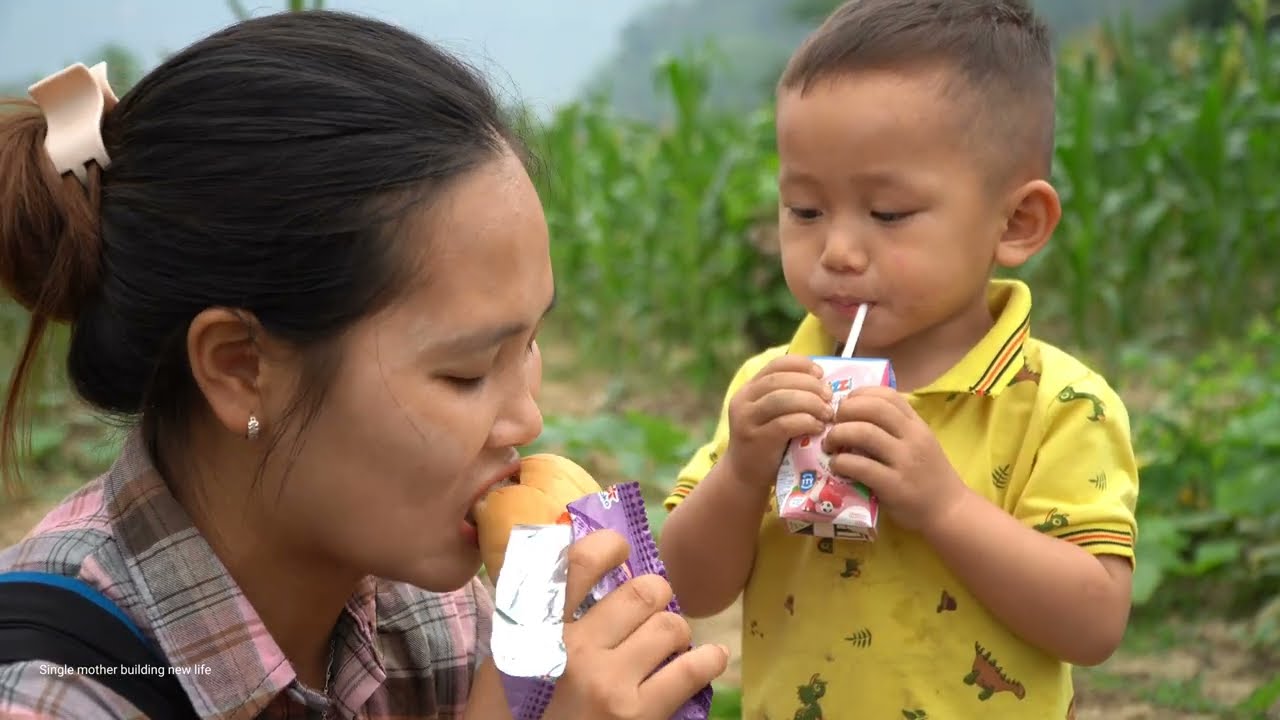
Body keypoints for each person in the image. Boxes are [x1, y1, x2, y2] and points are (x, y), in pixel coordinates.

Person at [0, 10, 726, 719]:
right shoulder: (54, 687)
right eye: (468, 371)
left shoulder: (443, 616)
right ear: (239, 366)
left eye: (529, 343)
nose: (528, 419)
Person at [658, 1, 1139, 718]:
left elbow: (1095, 623)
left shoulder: (1060, 403)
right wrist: (741, 471)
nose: (838, 252)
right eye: (805, 210)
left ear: (1015, 223)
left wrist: (943, 505)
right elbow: (687, 590)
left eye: (887, 214)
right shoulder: (772, 389)